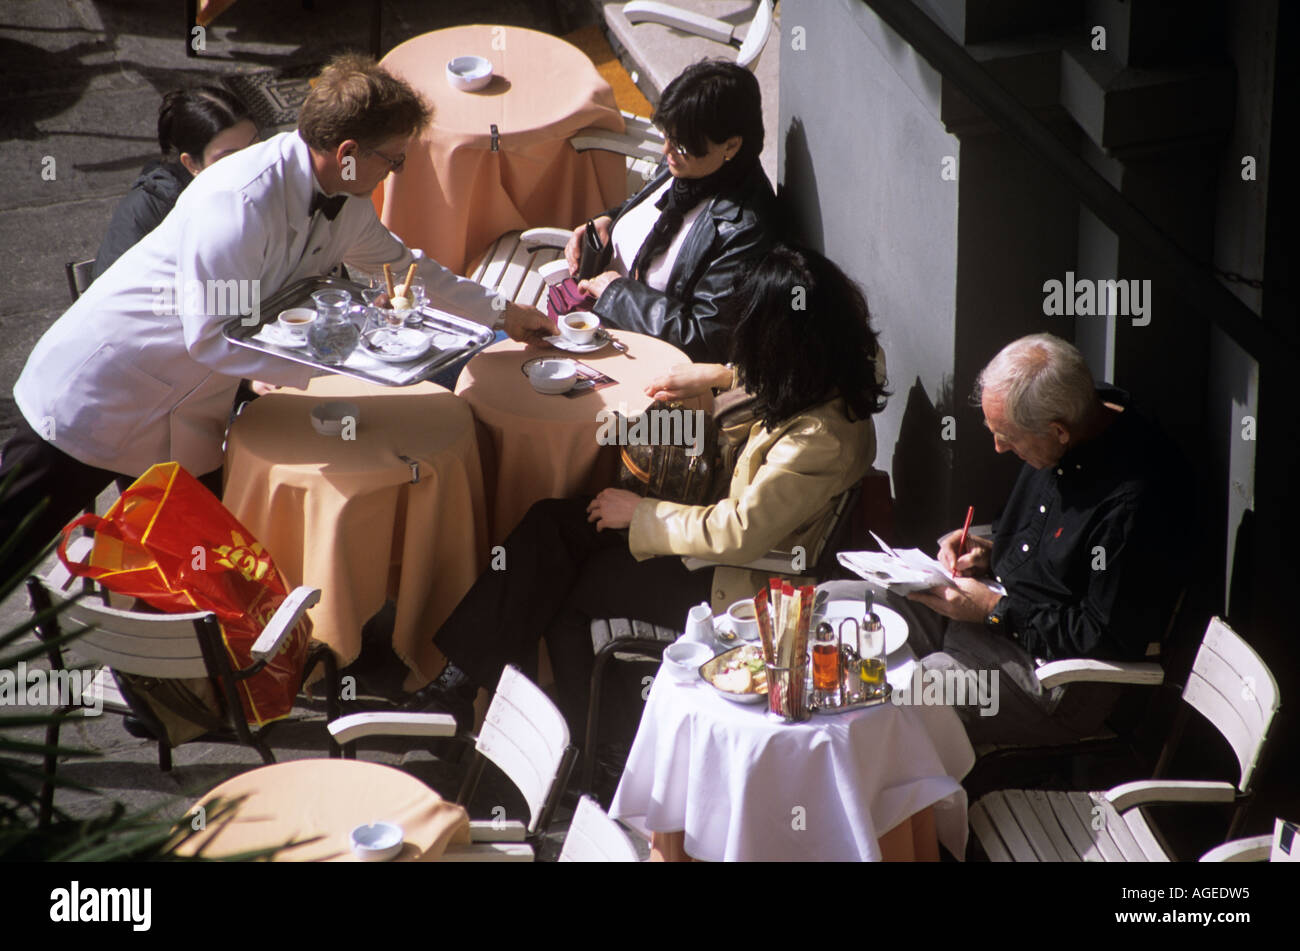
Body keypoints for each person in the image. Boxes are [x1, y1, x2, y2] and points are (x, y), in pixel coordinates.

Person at [0, 53, 553, 581]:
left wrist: (506, 312)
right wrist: (343, 364)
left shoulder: (348, 202)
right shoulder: (237, 204)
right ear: (349, 153)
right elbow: (212, 339)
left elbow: (408, 270)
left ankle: (181, 666)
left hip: (182, 418)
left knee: (204, 564)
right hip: (91, 398)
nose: (398, 171)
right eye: (395, 158)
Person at [406, 244, 889, 735]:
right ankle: (459, 687)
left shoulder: (820, 440)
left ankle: (587, 746)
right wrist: (720, 374)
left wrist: (641, 514)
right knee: (550, 524)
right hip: (711, 535)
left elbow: (740, 532)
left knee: (563, 584)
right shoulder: (837, 363)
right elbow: (795, 370)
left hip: (737, 579)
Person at [876, 333, 1190, 746]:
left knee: (903, 695)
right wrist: (990, 554)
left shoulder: (1129, 502)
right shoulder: (1069, 415)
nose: (999, 446)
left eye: (1008, 436)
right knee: (846, 603)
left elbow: (1100, 635)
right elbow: (1055, 553)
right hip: (990, 616)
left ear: (1058, 432)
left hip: (1052, 677)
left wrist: (993, 611)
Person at [562, 60, 780, 363]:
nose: (666, 151)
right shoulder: (692, 168)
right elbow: (648, 210)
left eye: (682, 145)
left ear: (730, 145)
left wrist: (617, 293)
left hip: (638, 358)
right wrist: (608, 221)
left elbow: (705, 339)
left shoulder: (745, 230)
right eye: (667, 136)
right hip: (599, 320)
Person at [92, 85, 259, 281]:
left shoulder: (270, 180)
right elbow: (115, 295)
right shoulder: (149, 210)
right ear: (191, 164)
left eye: (256, 148)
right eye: (229, 158)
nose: (250, 164)